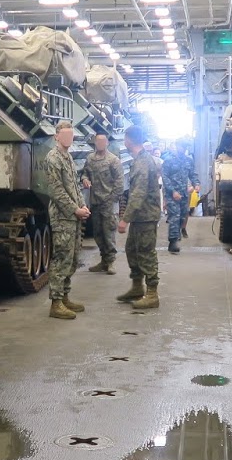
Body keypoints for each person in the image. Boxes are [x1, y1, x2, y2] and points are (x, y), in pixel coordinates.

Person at [42, 120, 89, 319]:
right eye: (66, 135)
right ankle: (56, 303)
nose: (70, 138)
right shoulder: (53, 158)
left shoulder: (67, 156)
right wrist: (74, 210)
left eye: (72, 135)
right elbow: (57, 191)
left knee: (72, 258)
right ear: (56, 136)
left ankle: (65, 297)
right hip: (62, 217)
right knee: (61, 258)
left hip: (73, 215)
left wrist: (82, 205)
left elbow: (75, 186)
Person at [116, 124, 162, 310]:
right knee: (132, 250)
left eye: (125, 138)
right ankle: (137, 287)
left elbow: (138, 194)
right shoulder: (139, 159)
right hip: (140, 217)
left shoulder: (143, 162)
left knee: (145, 253)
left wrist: (124, 219)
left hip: (145, 216)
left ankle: (152, 294)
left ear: (129, 140)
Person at [81, 132, 124, 275]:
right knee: (98, 233)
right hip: (95, 202)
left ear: (107, 143)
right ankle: (104, 260)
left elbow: (119, 183)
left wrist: (111, 200)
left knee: (109, 233)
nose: (100, 144)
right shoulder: (90, 159)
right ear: (95, 143)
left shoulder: (113, 160)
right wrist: (85, 179)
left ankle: (111, 261)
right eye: (97, 141)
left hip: (108, 203)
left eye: (102, 141)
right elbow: (85, 173)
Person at [161, 141, 199, 253]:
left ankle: (178, 234)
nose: (182, 149)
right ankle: (173, 242)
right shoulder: (168, 161)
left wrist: (196, 183)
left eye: (185, 147)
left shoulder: (188, 161)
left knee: (183, 216)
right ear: (177, 146)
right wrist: (172, 191)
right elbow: (165, 177)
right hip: (172, 194)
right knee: (174, 217)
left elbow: (192, 174)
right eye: (181, 146)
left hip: (184, 193)